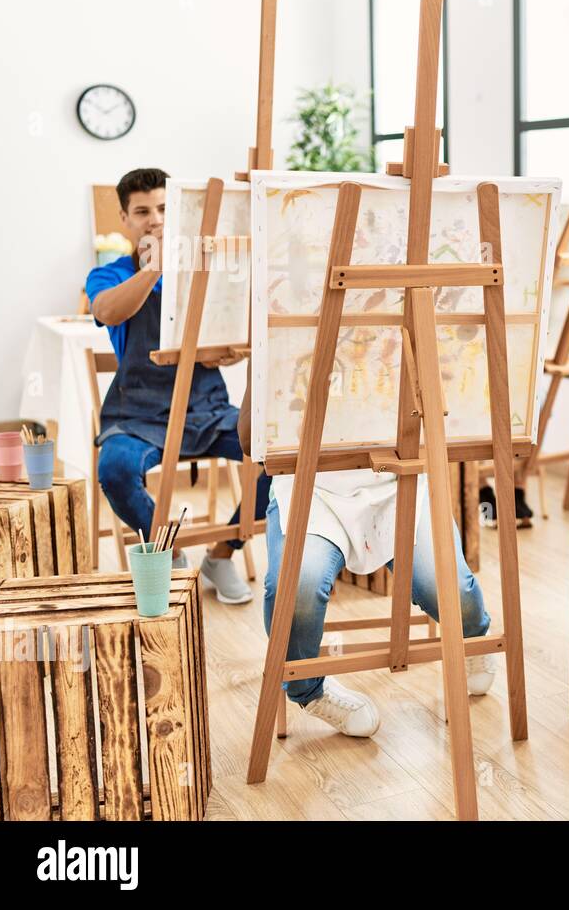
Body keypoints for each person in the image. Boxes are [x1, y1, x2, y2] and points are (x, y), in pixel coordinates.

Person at [237, 377, 495, 737]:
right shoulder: (282, 321)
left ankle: (473, 635)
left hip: (396, 480)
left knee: (447, 586)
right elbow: (249, 441)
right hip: (312, 485)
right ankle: (309, 691)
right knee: (295, 588)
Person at [86, 168, 270, 603]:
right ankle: (168, 549)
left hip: (205, 407)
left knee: (280, 461)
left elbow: (231, 326)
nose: (156, 219)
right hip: (138, 414)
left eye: (166, 208)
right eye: (143, 211)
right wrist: (154, 268)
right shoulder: (110, 274)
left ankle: (222, 554)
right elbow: (108, 311)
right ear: (125, 219)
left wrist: (229, 351)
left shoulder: (207, 269)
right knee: (114, 471)